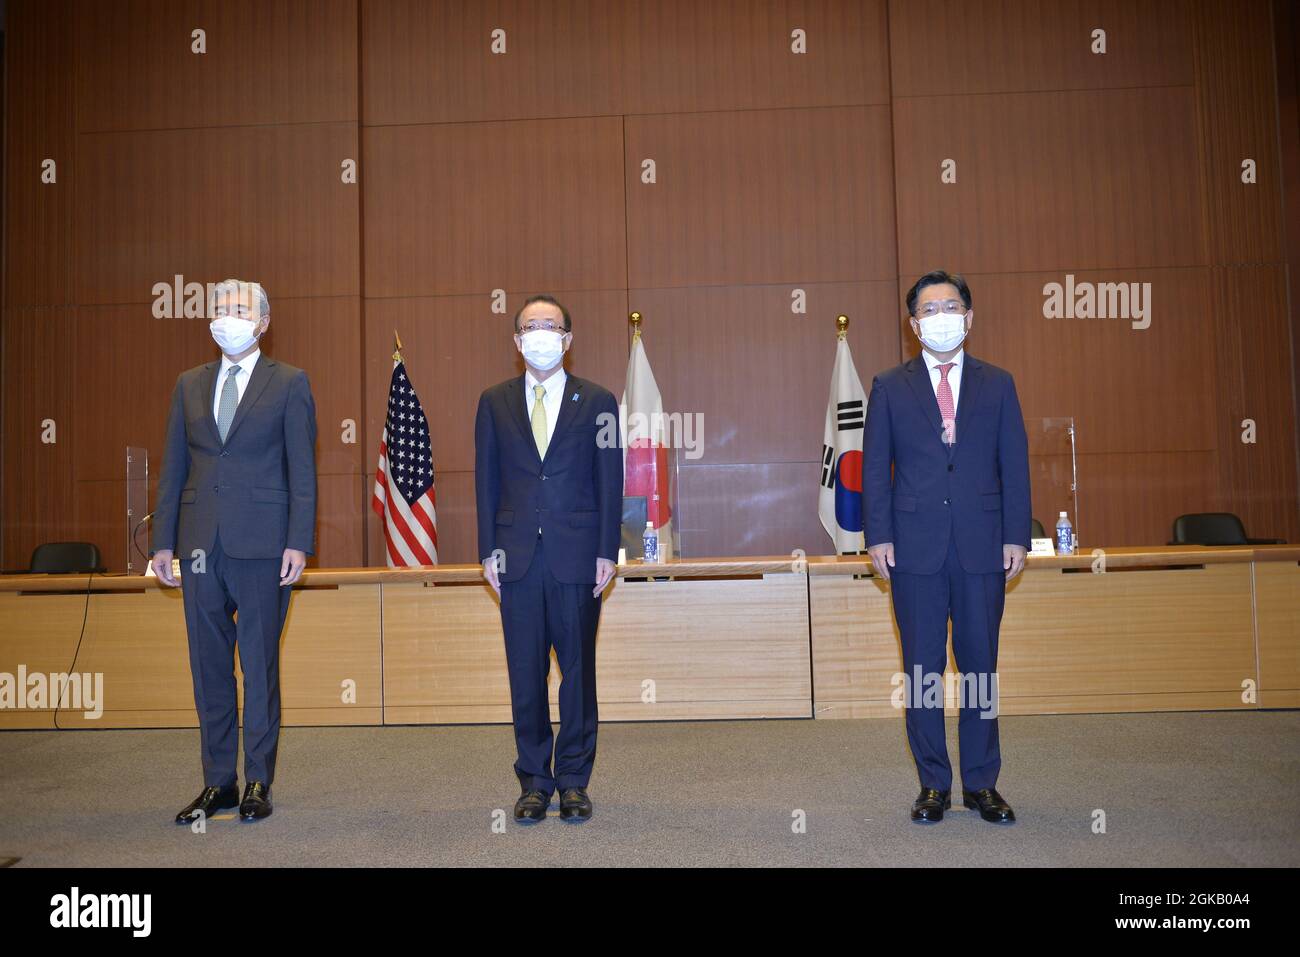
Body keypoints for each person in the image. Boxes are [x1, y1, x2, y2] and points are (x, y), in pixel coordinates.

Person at [862, 270, 1030, 825]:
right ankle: (933, 783)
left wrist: (1015, 536)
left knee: (981, 666)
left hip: (983, 546)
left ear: (970, 317)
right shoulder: (889, 384)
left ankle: (983, 784)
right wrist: (878, 536)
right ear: (914, 325)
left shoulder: (999, 383)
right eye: (929, 310)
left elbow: (1015, 464)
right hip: (914, 549)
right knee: (923, 670)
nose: (941, 317)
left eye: (951, 306)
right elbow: (877, 470)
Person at [150, 279, 317, 824]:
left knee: (259, 663)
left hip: (266, 543)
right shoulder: (187, 384)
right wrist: (163, 542)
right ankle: (218, 782)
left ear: (263, 322)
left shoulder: (290, 383)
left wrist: (299, 541)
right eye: (219, 308)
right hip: (199, 545)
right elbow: (175, 465)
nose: (227, 316)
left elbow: (302, 471)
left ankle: (258, 781)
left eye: (239, 309)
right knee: (208, 666)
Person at [474, 295, 623, 825]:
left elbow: (611, 480)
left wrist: (608, 550)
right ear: (516, 341)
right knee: (526, 672)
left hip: (579, 556)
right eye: (530, 326)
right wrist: (485, 551)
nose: (540, 334)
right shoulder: (494, 402)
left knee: (578, 673)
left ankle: (575, 781)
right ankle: (535, 781)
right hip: (515, 558)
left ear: (568, 339)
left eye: (551, 326)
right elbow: (486, 482)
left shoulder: (598, 400)